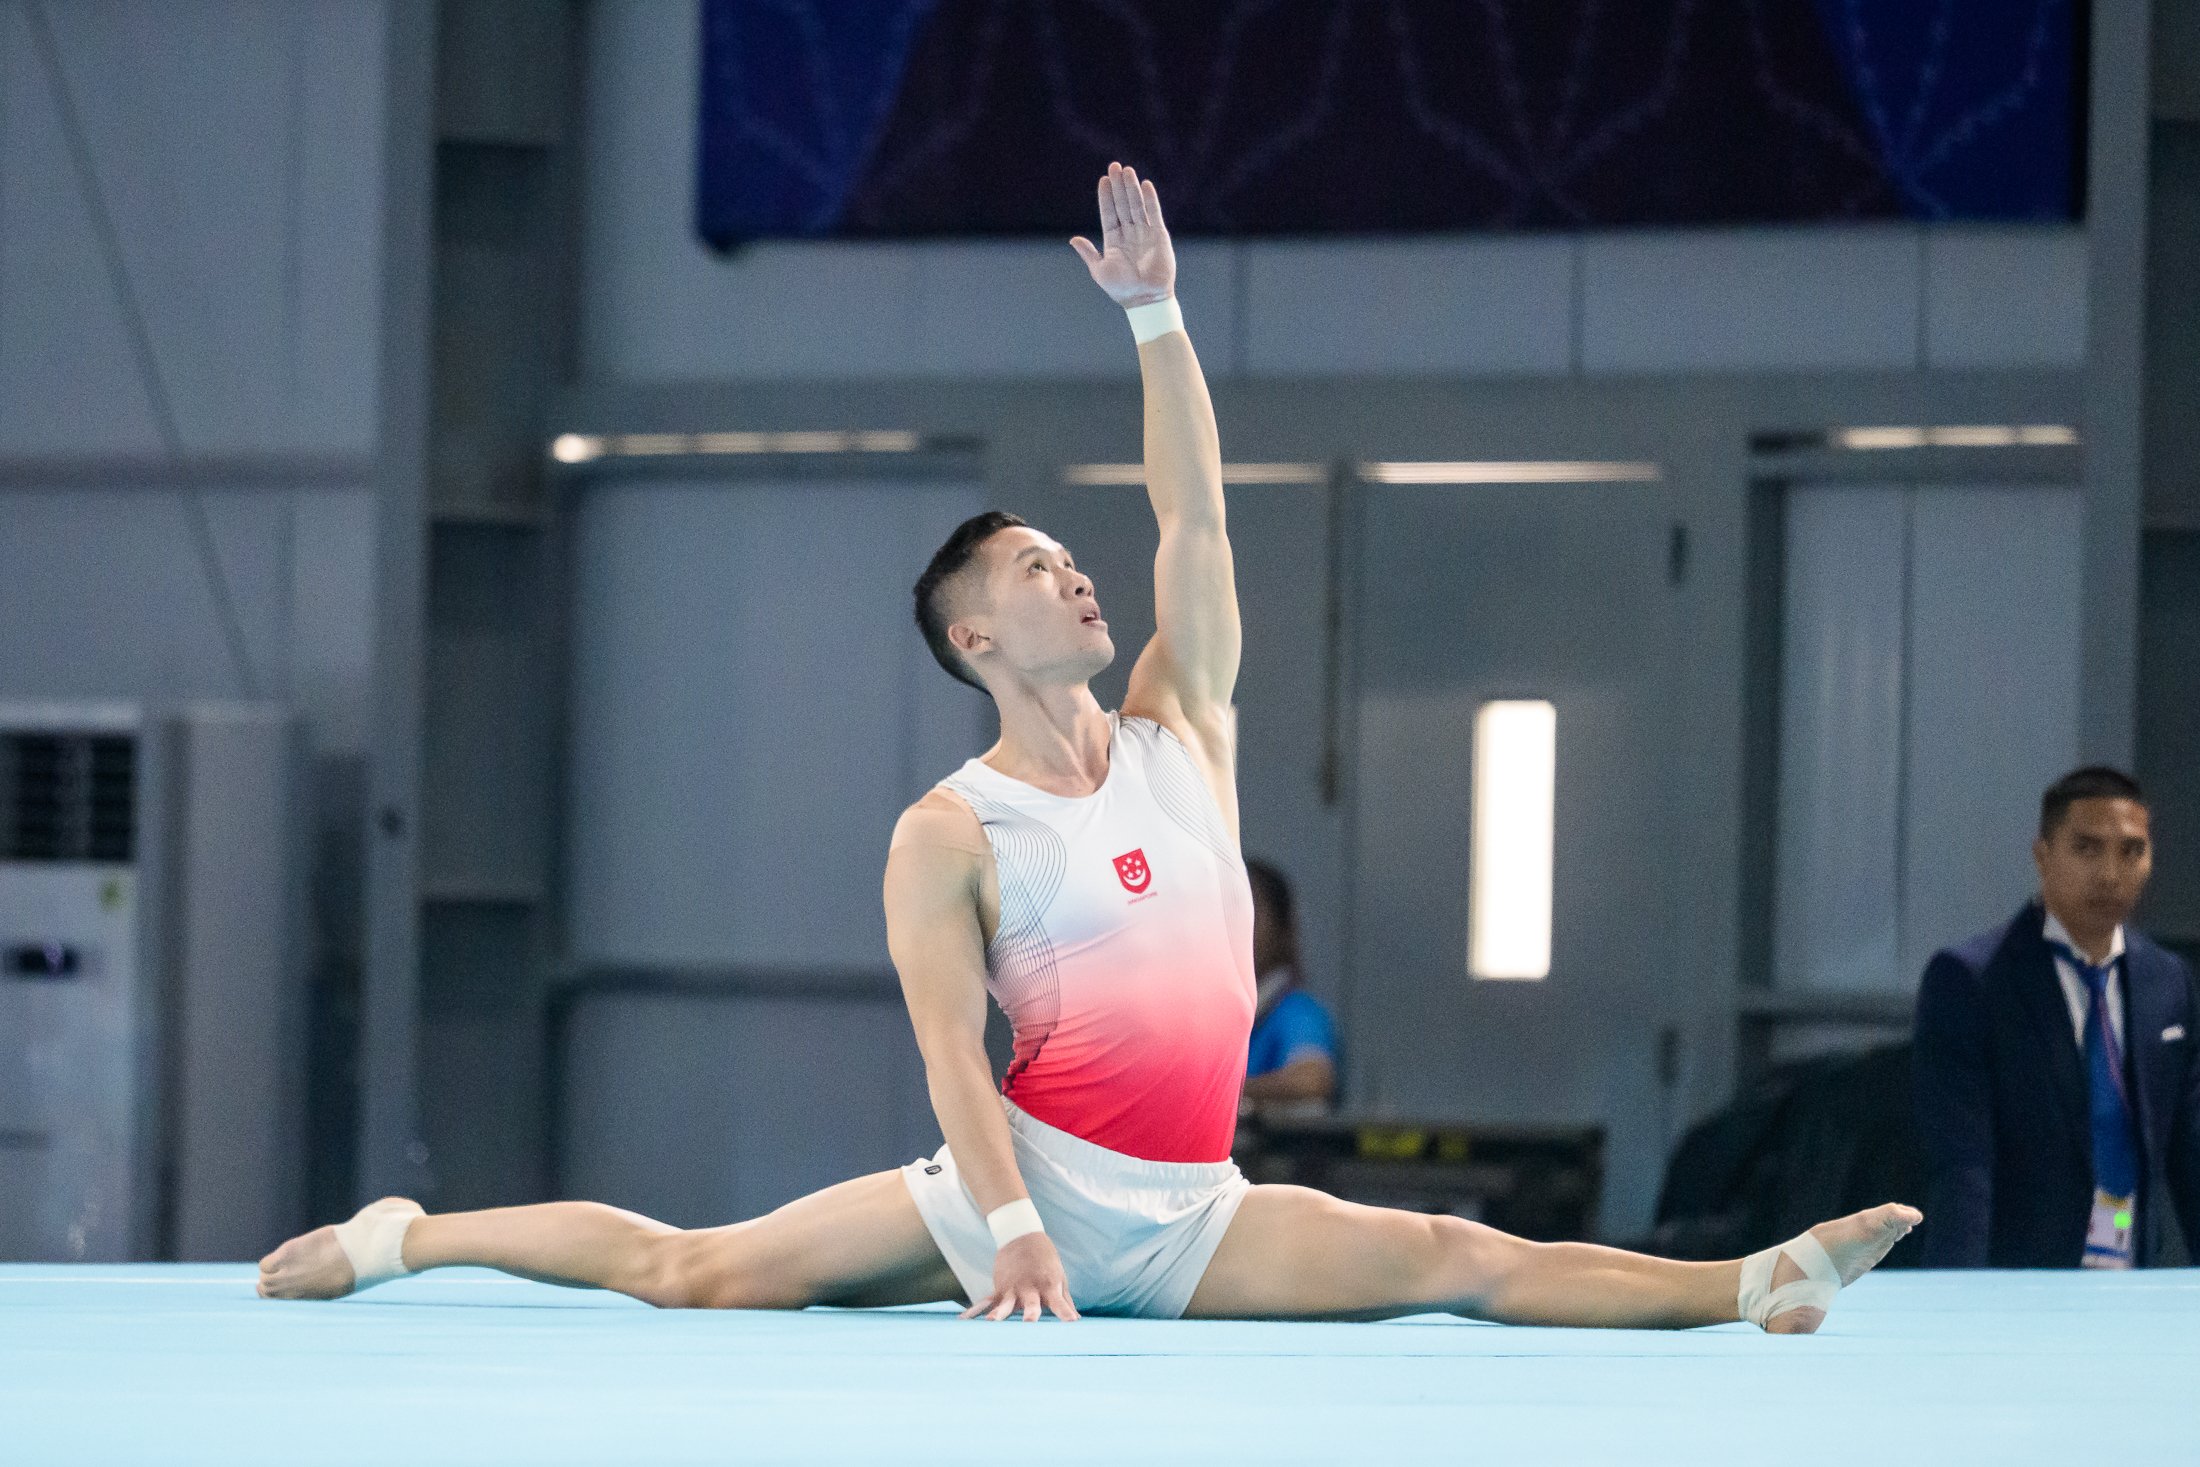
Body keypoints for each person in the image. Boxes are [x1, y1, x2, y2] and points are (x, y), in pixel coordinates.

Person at [261, 164, 1916, 1332]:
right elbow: (952, 1066)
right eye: (1041, 568)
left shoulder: (1185, 726)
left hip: (1194, 1202)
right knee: (696, 1271)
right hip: (1022, 1179)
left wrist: (1158, 320)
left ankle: (1752, 1281)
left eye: (1076, 555)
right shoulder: (948, 831)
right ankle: (409, 1234)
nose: (1080, 571)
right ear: (975, 636)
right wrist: (1009, 1233)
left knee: (1454, 1254)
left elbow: (1193, 510)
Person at [1915, 766, 2200, 1268]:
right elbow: (1963, 1165)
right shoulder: (1974, 979)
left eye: (2131, 851)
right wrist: (1955, 1302)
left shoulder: (2167, 981)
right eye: (2087, 848)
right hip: (2022, 1276)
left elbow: (2190, 1150)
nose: (2110, 874)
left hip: (2133, 1265)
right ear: (2043, 855)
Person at [1241, 857, 1339, 1108]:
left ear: (1281, 928)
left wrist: (1219, 1093)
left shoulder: (1297, 1012)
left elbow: (1313, 1079)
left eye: (1250, 913)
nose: (1237, 927)